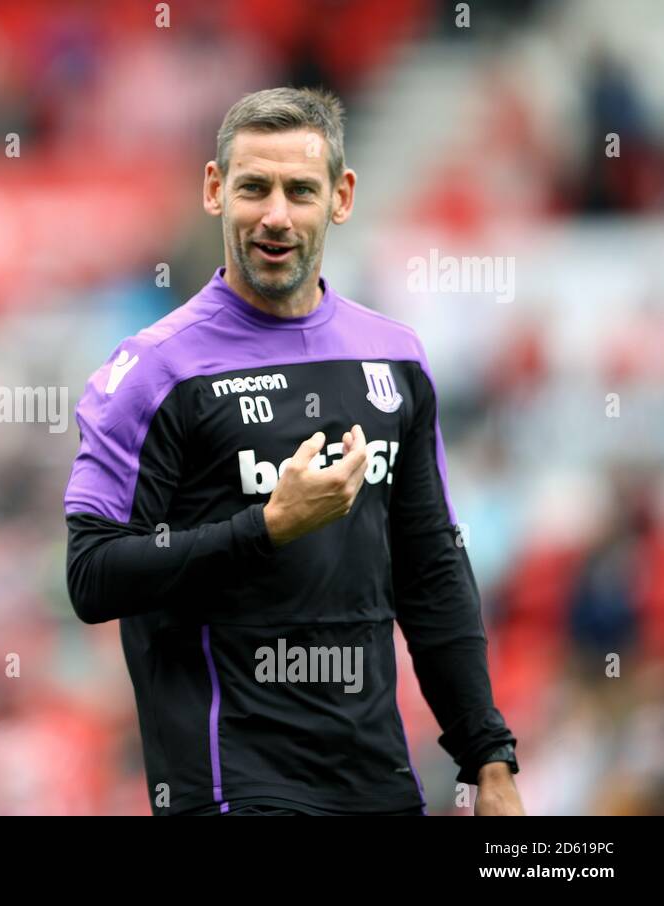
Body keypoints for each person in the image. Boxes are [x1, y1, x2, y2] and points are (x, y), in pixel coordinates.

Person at [63, 87, 522, 816]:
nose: (275, 214)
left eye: (299, 190)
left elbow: (432, 572)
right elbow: (92, 576)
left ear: (340, 198)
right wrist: (266, 528)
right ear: (216, 191)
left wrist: (487, 758)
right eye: (254, 188)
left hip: (375, 779)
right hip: (229, 783)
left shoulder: (396, 359)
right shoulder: (154, 371)